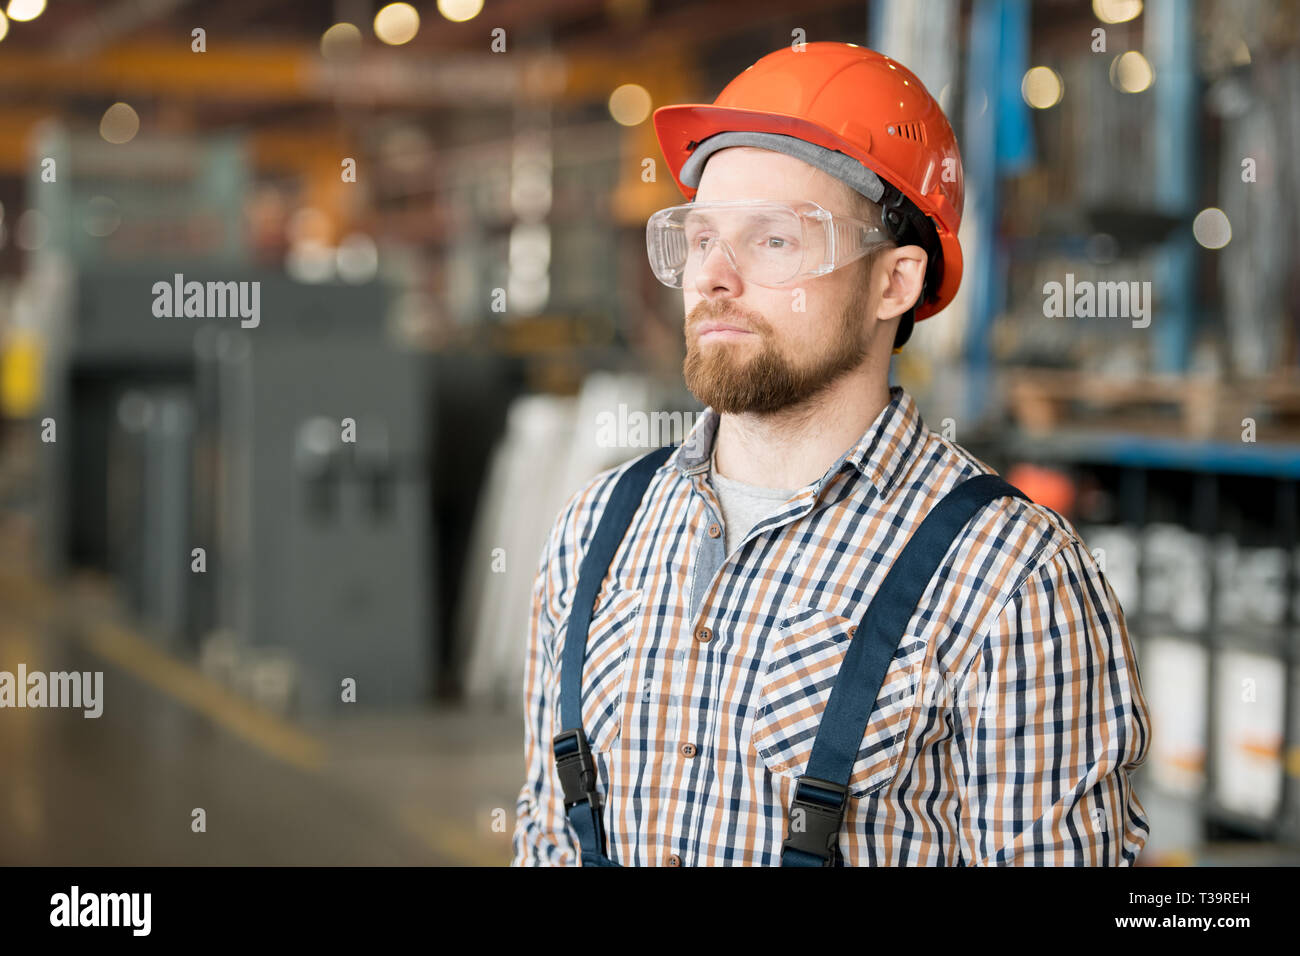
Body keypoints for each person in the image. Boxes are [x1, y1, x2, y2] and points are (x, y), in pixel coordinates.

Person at [511, 41, 1151, 866]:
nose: (714, 276)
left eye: (774, 240)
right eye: (700, 237)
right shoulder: (594, 531)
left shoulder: (1012, 581)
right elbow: (547, 836)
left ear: (895, 281)